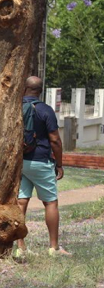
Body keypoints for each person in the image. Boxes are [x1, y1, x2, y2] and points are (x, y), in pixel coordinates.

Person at [16, 76, 68, 258]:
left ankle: (20, 246)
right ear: (40, 91)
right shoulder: (45, 110)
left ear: (24, 88)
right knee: (50, 202)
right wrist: (59, 164)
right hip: (41, 161)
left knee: (21, 202)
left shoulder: (14, 107)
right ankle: (54, 248)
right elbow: (55, 139)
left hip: (19, 162)